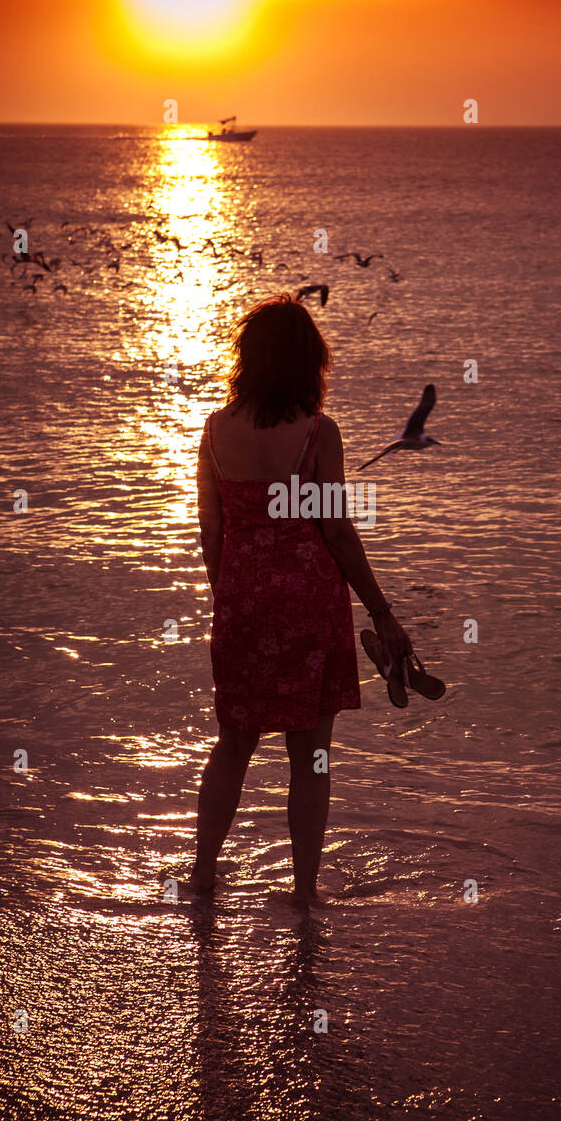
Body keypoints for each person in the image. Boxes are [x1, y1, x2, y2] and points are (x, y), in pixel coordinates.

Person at [193, 294, 411, 907]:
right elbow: (335, 529)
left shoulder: (214, 430)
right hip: (309, 602)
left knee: (234, 742)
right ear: (308, 360)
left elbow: (211, 532)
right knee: (311, 753)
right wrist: (381, 611)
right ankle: (305, 893)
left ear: (249, 358)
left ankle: (203, 875)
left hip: (241, 599)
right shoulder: (318, 432)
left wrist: (231, 596)